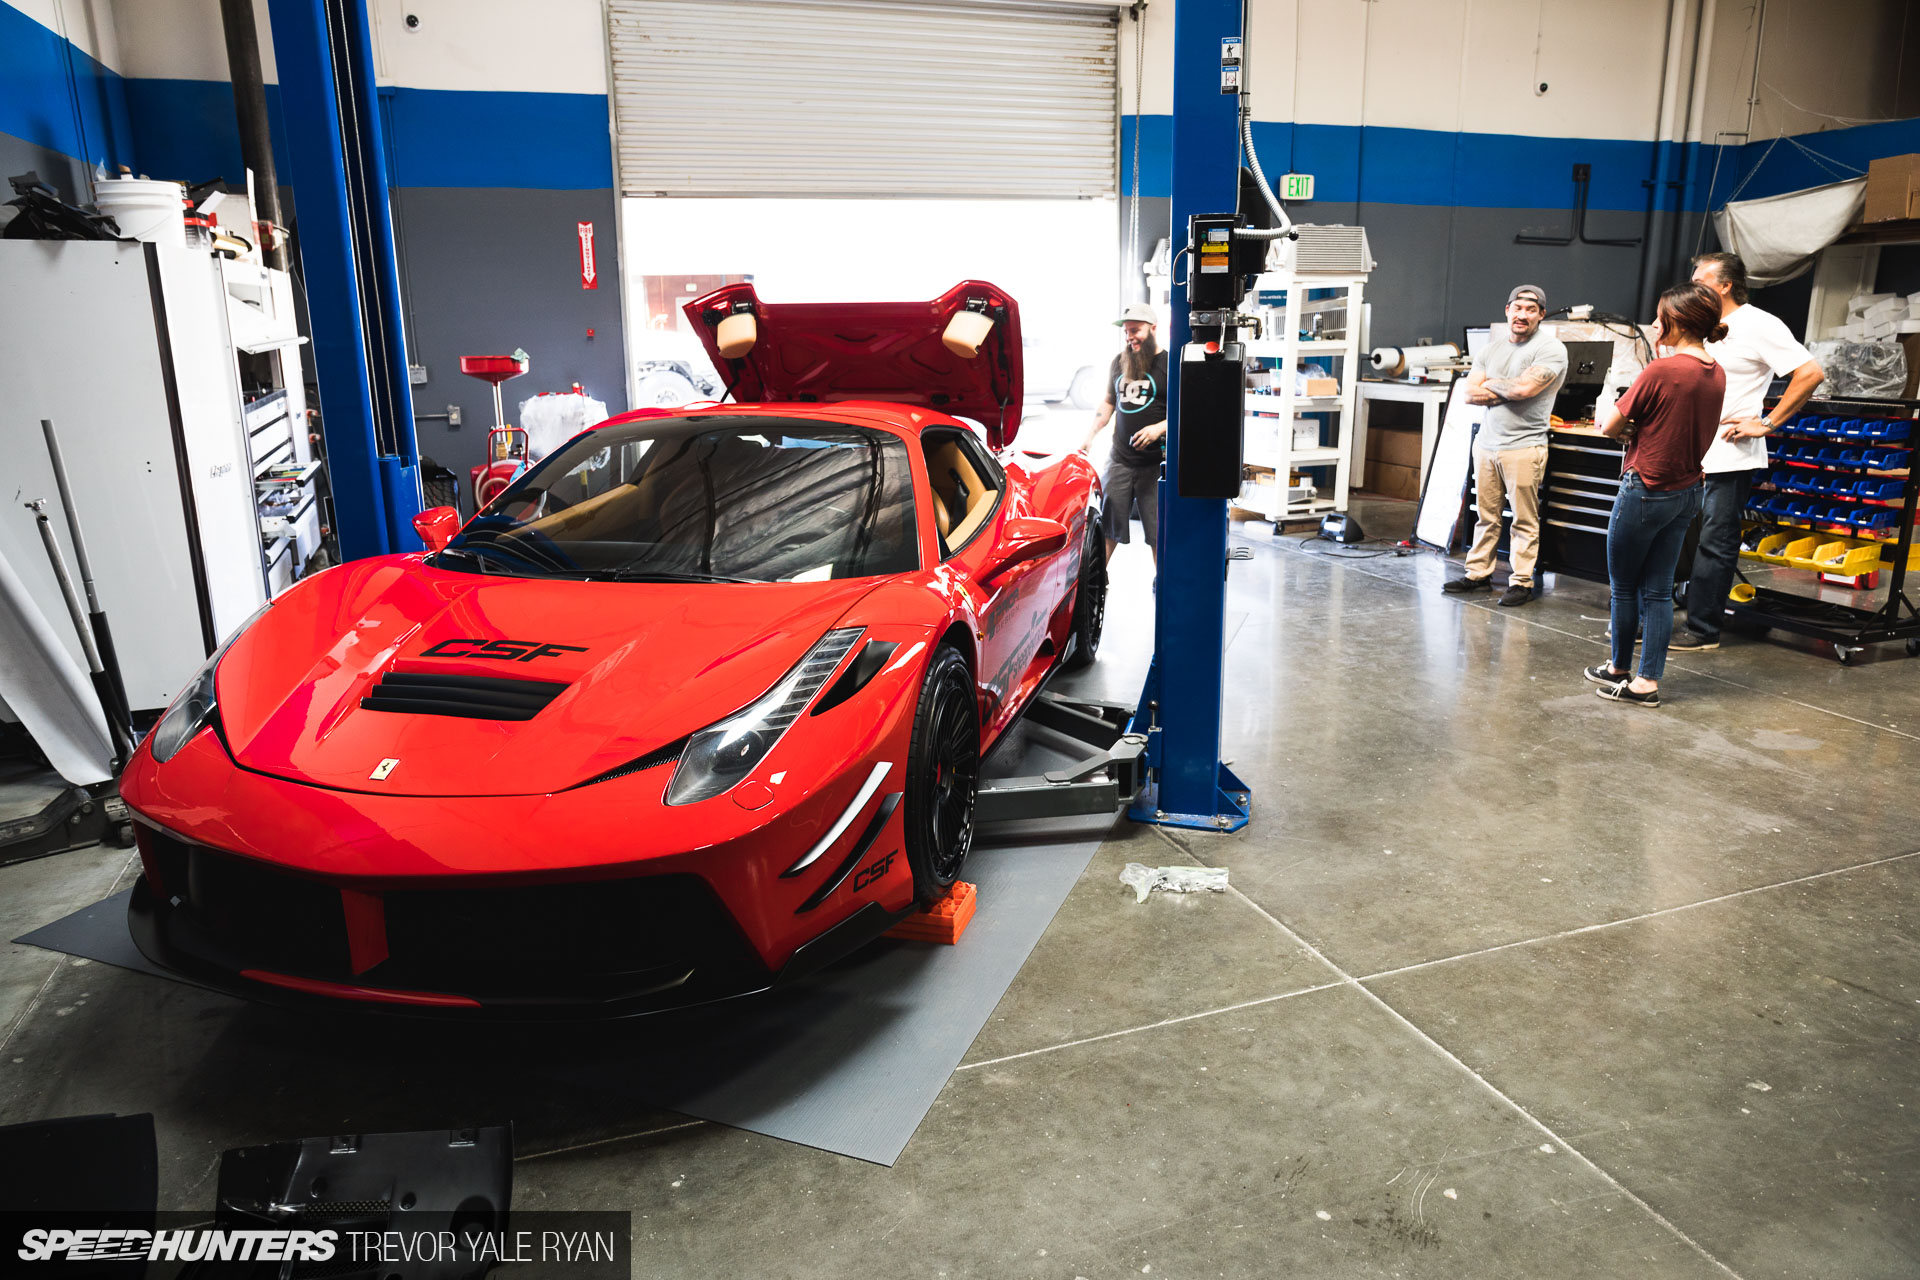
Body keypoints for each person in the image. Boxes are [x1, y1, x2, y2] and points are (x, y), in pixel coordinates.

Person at [1669, 251, 1826, 651]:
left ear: (1725, 286)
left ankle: (1702, 629)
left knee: (1714, 544)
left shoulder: (1758, 324)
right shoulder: (1702, 324)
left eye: (1701, 281)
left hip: (1729, 454)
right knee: (1673, 539)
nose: (1693, 287)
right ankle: (1656, 618)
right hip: (1686, 451)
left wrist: (1768, 423)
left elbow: (1810, 373)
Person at [1586, 282, 1727, 706]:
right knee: (1659, 590)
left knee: (1624, 587)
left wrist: (1627, 428)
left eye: (1660, 317)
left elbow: (1610, 426)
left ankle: (1619, 670)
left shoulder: (1663, 370)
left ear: (1677, 321)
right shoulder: (1715, 371)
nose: (1653, 324)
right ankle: (1647, 681)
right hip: (1687, 491)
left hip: (1646, 488)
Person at [1443, 285, 1569, 606]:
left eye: (1531, 309)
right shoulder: (1490, 350)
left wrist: (1492, 384)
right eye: (1517, 308)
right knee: (1486, 516)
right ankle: (1478, 575)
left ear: (1541, 315)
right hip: (1486, 444)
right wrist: (1508, 389)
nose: (1522, 315)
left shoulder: (1550, 349)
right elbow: (1470, 394)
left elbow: (1525, 390)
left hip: (1524, 446)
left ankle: (1522, 581)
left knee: (1524, 519)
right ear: (1507, 310)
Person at [1080, 303, 1168, 565]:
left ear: (1153, 329)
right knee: (1107, 528)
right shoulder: (1119, 362)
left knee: (1158, 534)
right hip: (1120, 460)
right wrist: (1089, 436)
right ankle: (1097, 582)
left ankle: (1162, 583)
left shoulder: (1169, 364)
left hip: (1156, 465)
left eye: (1135, 330)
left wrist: (1158, 428)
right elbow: (1109, 401)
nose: (1130, 337)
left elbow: (1184, 409)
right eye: (1126, 331)